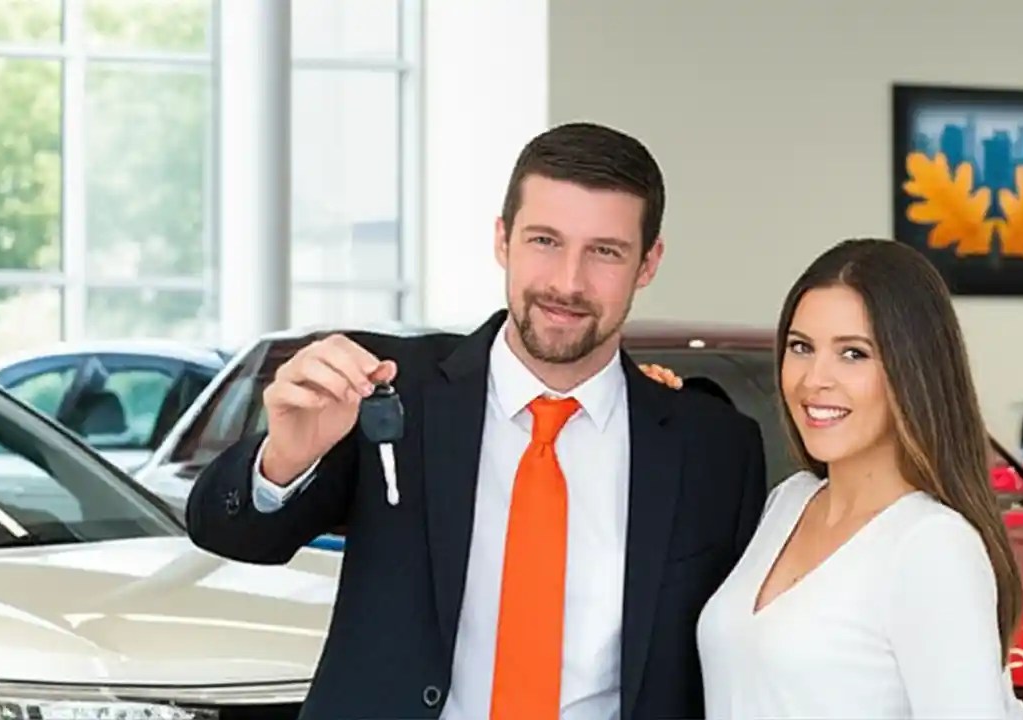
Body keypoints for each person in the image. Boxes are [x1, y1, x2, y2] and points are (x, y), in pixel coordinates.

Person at [185, 121, 769, 720]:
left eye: (604, 251)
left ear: (648, 263)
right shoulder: (391, 390)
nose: (568, 283)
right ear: (502, 240)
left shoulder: (715, 450)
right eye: (545, 241)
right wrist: (284, 459)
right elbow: (229, 535)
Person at [695, 238, 1023, 719]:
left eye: (853, 354)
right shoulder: (790, 502)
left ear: (914, 370)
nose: (814, 379)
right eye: (801, 347)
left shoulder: (931, 545)